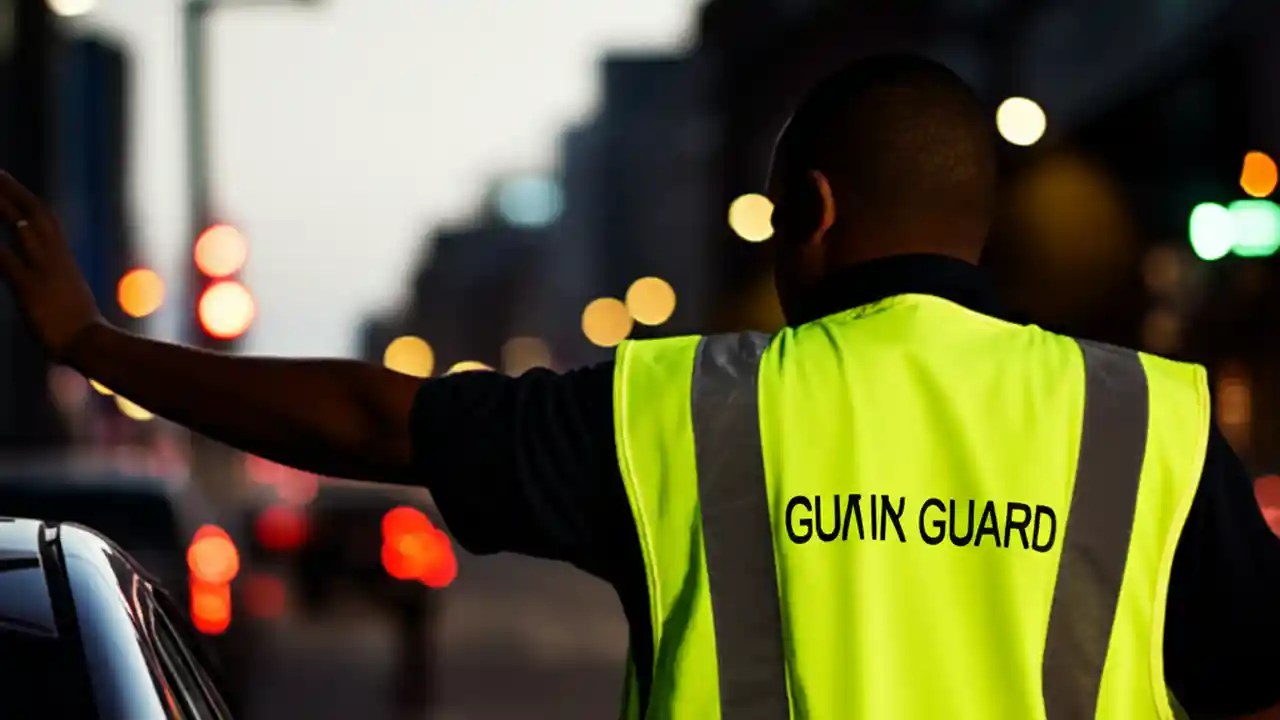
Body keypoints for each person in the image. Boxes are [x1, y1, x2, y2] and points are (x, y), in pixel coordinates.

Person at [1, 53, 1277, 719]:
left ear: (813, 213)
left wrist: (94, 344)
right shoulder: (1146, 418)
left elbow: (379, 418)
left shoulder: (689, 409)